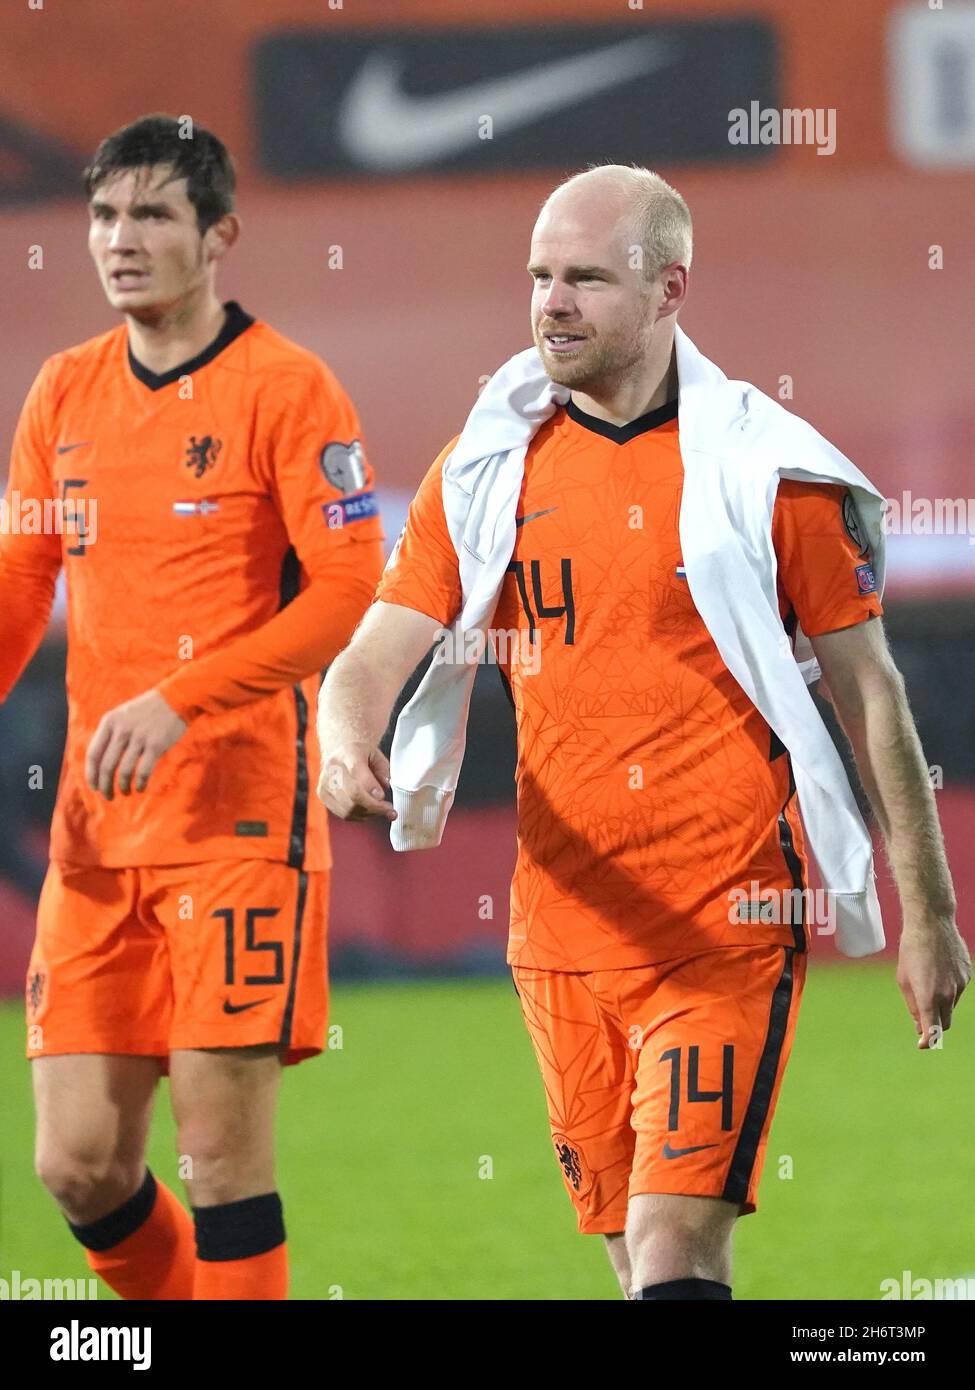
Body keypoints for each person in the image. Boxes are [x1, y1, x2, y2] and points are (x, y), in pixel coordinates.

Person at [315, 164, 969, 1301]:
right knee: (644, 1268)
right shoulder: (484, 475)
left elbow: (872, 695)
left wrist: (932, 913)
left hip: (723, 930)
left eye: (584, 279)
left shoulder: (770, 475)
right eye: (538, 276)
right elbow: (375, 651)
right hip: (560, 938)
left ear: (669, 290)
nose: (551, 303)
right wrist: (339, 737)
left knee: (673, 1255)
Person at [0, 114, 384, 1300]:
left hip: (240, 825)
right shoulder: (63, 393)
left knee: (216, 1157)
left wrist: (181, 697)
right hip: (98, 837)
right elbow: (20, 588)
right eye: (106, 215)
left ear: (219, 234)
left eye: (154, 214)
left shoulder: (290, 389)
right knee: (76, 1162)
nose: (122, 240)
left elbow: (350, 590)